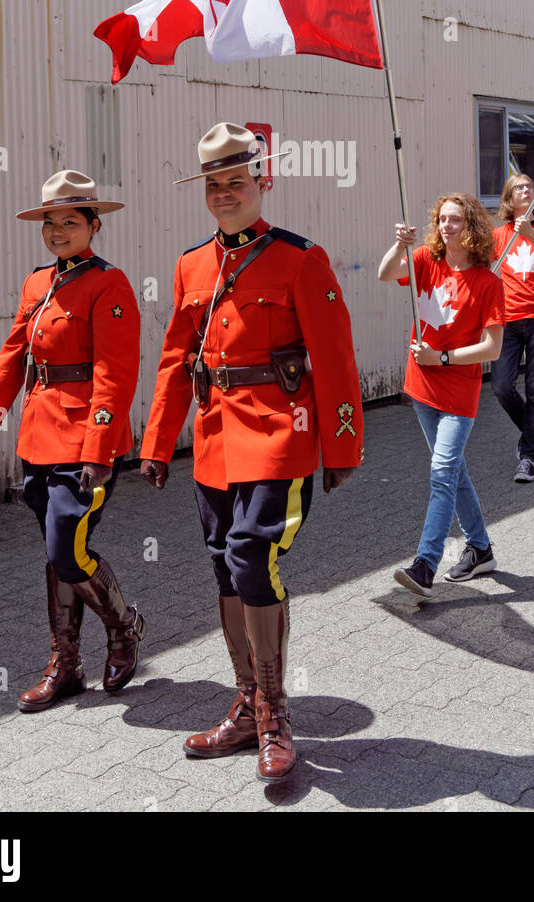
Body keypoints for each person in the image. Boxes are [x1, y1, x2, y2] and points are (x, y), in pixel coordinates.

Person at [139, 123, 363, 782]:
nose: (225, 194)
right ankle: (244, 707)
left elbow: (337, 360)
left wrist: (342, 442)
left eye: (236, 182)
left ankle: (273, 713)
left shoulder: (300, 258)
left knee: (251, 555)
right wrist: (156, 442)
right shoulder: (191, 264)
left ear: (261, 182)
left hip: (280, 433)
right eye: (214, 184)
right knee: (223, 568)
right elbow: (176, 360)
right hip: (214, 438)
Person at [0, 171, 143, 711]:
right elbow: (12, 360)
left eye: (70, 221)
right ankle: (66, 664)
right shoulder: (38, 283)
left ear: (93, 224)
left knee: (68, 544)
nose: (58, 231)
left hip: (85, 440)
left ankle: (124, 627)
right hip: (38, 435)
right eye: (50, 222)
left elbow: (115, 371)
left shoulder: (110, 284)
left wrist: (100, 448)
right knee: (56, 551)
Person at [378, 194, 504, 597]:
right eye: (442, 219)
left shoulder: (488, 283)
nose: (447, 226)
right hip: (421, 388)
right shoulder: (424, 262)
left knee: (441, 474)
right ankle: (481, 548)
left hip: (458, 395)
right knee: (453, 472)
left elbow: (492, 348)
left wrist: (442, 357)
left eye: (456, 220)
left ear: (472, 228)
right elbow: (384, 274)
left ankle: (425, 565)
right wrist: (400, 244)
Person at [490, 174, 534, 483]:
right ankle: (532, 430)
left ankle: (529, 457)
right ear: (509, 197)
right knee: (502, 387)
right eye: (519, 187)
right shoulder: (497, 236)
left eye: (530, 187)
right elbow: (484, 274)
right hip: (506, 319)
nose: (526, 190)